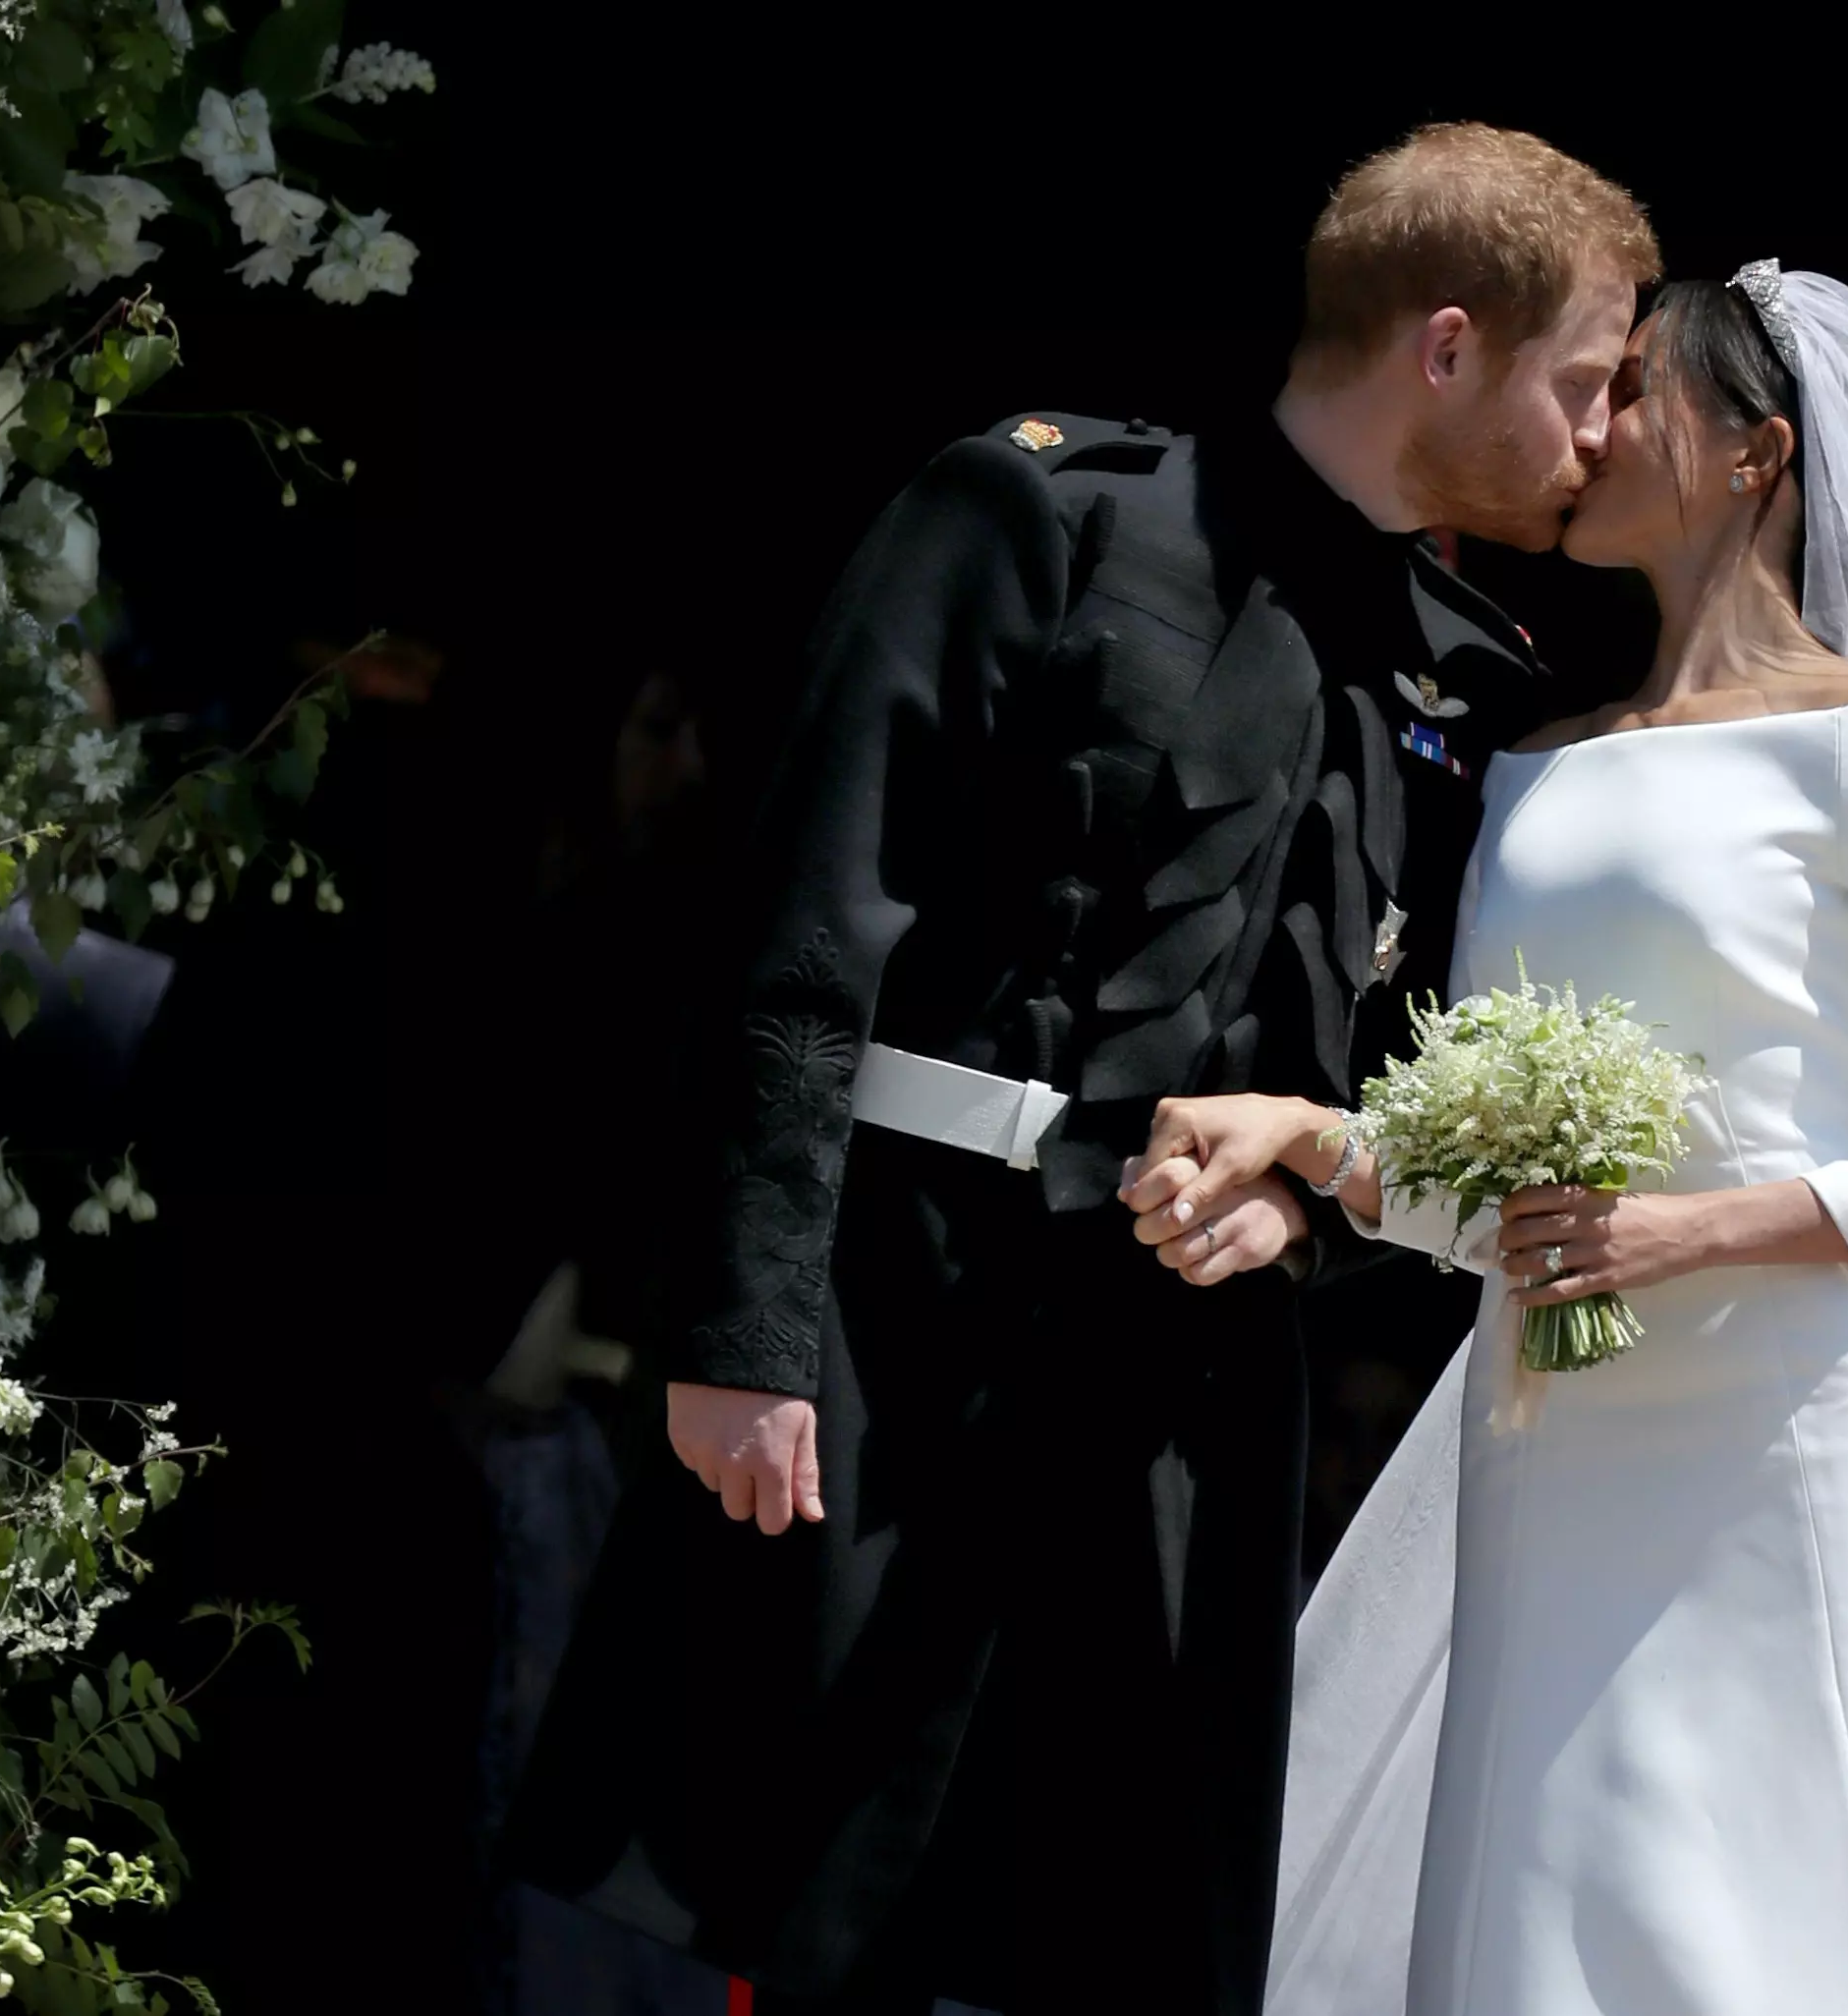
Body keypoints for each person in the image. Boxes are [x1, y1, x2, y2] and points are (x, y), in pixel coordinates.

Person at [502, 127, 1660, 2016]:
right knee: (813, 1908)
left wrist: (1304, 1218)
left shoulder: (1461, 676)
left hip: (1194, 1384)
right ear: (1446, 347)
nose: (1602, 430)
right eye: (1583, 377)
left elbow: (1420, 1078)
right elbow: (803, 929)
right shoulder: (1039, 513)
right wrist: (740, 1332)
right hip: (903, 1310)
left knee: (1113, 1930)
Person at [1126, 268, 1848, 2016]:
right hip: (1554, 1441)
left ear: (1756, 455)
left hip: (1803, 1427)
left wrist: (1693, 1231)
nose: (1588, 433)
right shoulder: (1532, 764)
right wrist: (1315, 1139)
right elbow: (1503, 1200)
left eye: (1636, 397)